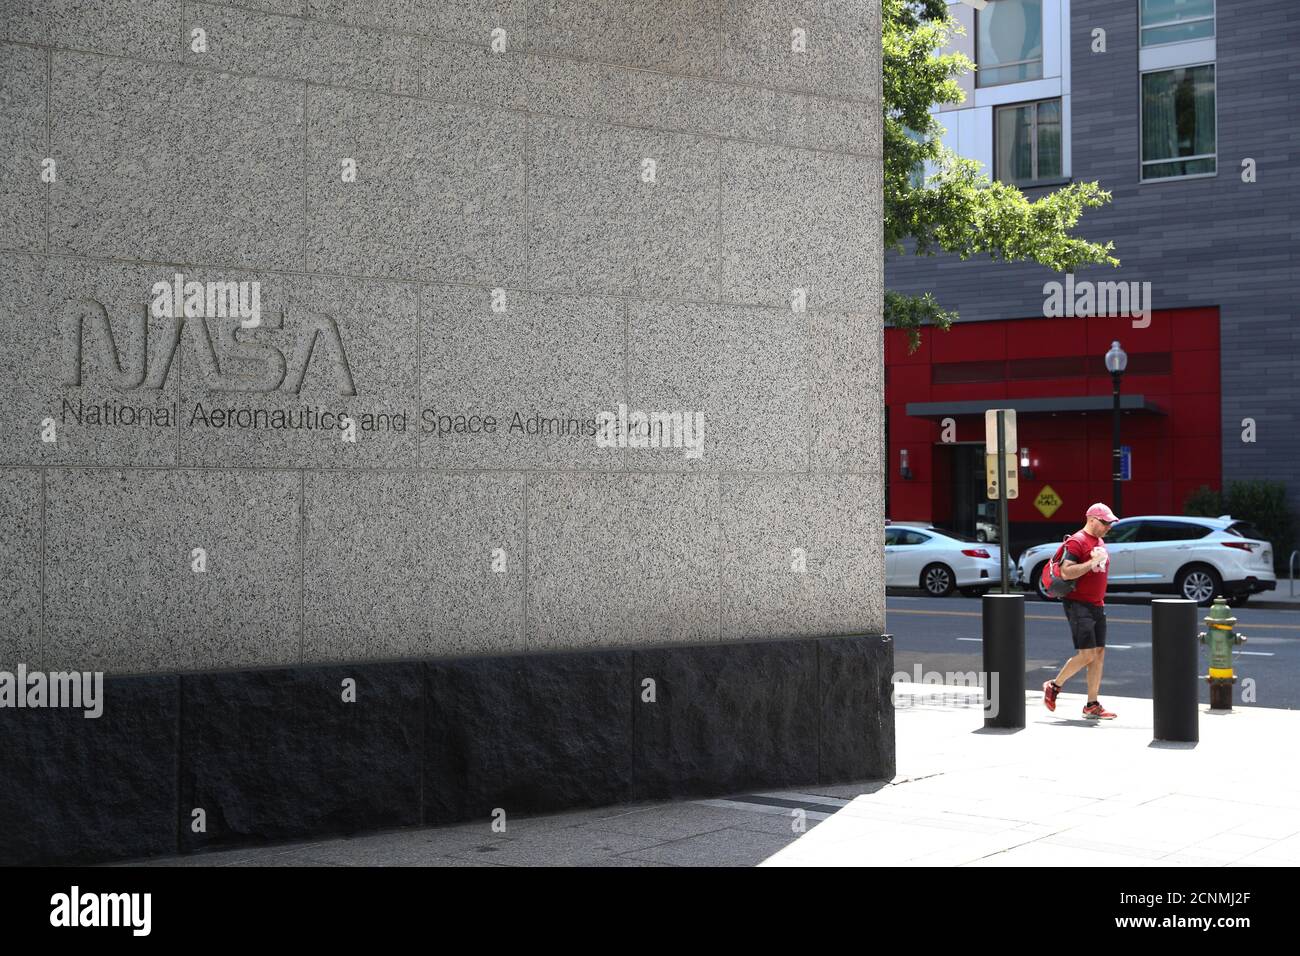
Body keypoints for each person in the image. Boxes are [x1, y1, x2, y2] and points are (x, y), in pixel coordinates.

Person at [1042, 503, 1118, 719]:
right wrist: (1091, 562)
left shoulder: (1099, 541)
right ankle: (1054, 686)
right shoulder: (1077, 541)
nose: (1107, 527)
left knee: (1099, 654)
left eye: (1109, 523)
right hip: (1078, 604)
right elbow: (1066, 572)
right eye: (1105, 523)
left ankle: (1092, 704)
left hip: (1097, 604)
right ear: (1091, 519)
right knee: (1087, 655)